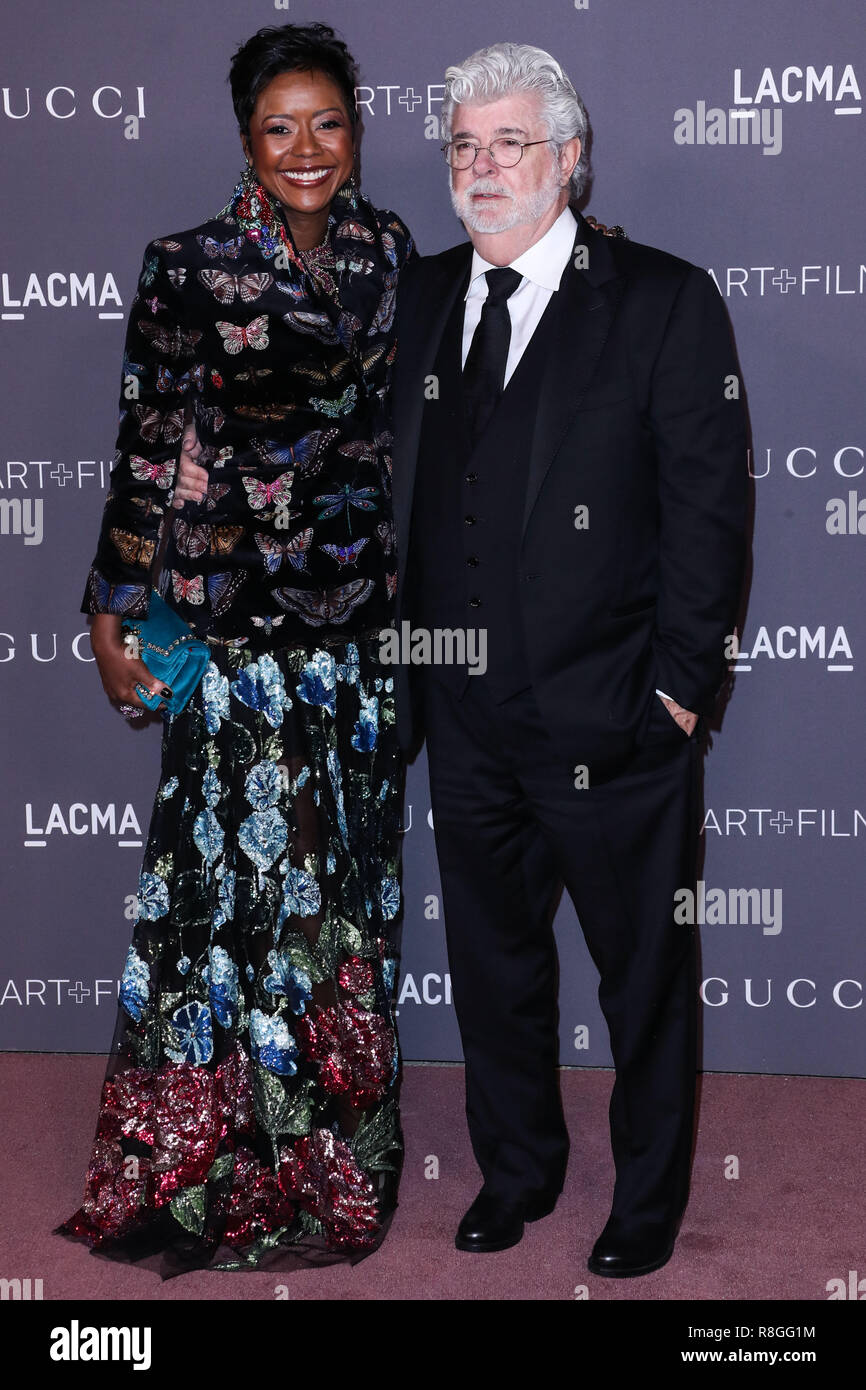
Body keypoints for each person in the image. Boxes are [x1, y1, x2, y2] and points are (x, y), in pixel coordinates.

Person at [54, 22, 414, 1279]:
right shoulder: (188, 265)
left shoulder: (390, 253)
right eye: (280, 127)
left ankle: (333, 1148)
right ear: (245, 140)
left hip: (358, 640)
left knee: (342, 897)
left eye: (327, 124)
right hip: (239, 631)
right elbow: (148, 445)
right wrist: (110, 605)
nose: (306, 149)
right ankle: (229, 1153)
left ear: (355, 132)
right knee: (244, 897)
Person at [387, 42, 747, 1277]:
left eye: (510, 145)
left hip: (616, 718)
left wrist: (679, 688)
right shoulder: (422, 297)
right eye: (463, 148)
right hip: (465, 717)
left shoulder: (660, 299)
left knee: (642, 979)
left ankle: (646, 1199)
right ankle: (518, 1172)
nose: (483, 169)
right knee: (494, 968)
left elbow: (707, 514)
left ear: (570, 159)